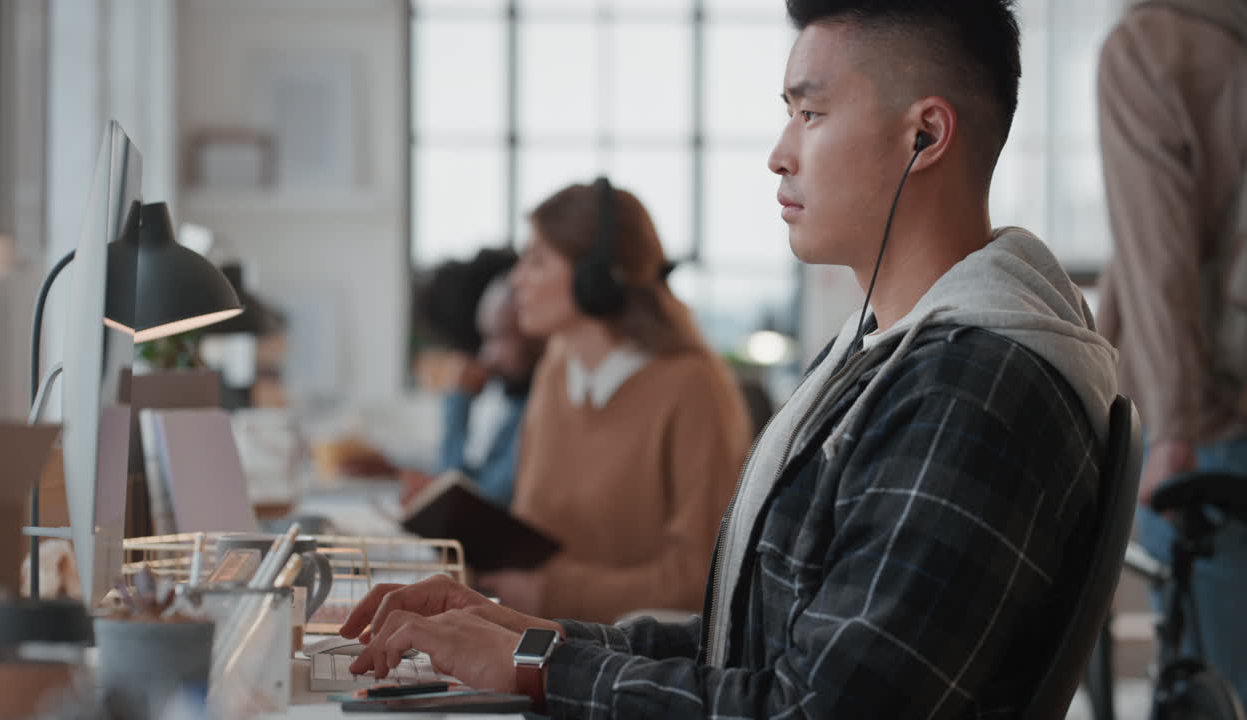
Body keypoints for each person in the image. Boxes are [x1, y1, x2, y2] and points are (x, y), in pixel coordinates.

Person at [338, 0, 1120, 716]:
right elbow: (743, 651)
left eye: (811, 114)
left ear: (926, 135)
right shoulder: (878, 357)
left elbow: (812, 709)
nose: (780, 155)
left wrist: (538, 666)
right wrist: (518, 634)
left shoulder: (969, 388)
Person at [476, 179, 752, 623]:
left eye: (538, 260)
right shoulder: (555, 371)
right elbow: (536, 534)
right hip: (539, 641)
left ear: (596, 280)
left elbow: (701, 576)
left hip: (633, 664)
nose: (517, 278)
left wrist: (551, 593)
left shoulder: (693, 388)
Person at [1095, 0, 1247, 703]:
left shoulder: (1151, 49)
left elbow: (1161, 262)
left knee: (1214, 685)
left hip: (1211, 428)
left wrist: (1175, 434)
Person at [344, 249, 542, 507]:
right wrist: (396, 469)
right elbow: (469, 485)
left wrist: (457, 402)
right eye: (484, 339)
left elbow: (463, 504)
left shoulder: (534, 412)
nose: (486, 356)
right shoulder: (515, 406)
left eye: (499, 337)